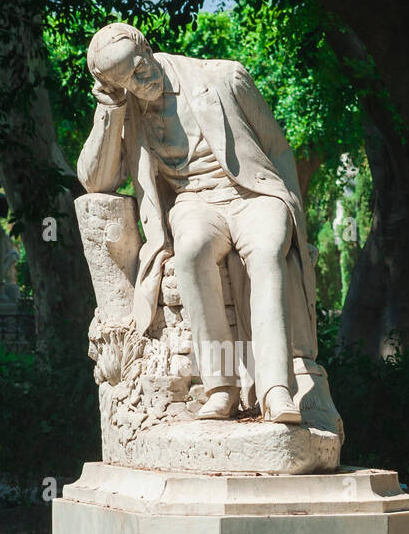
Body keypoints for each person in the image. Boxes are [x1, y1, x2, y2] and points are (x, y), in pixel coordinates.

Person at [76, 22, 321, 424]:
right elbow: (94, 179)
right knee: (190, 251)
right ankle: (221, 387)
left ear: (147, 48)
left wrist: (293, 212)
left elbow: (277, 148)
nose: (142, 79)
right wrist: (111, 107)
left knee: (264, 253)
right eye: (128, 82)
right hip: (194, 202)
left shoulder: (224, 77)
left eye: (140, 66)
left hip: (252, 195)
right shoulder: (129, 111)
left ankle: (277, 389)